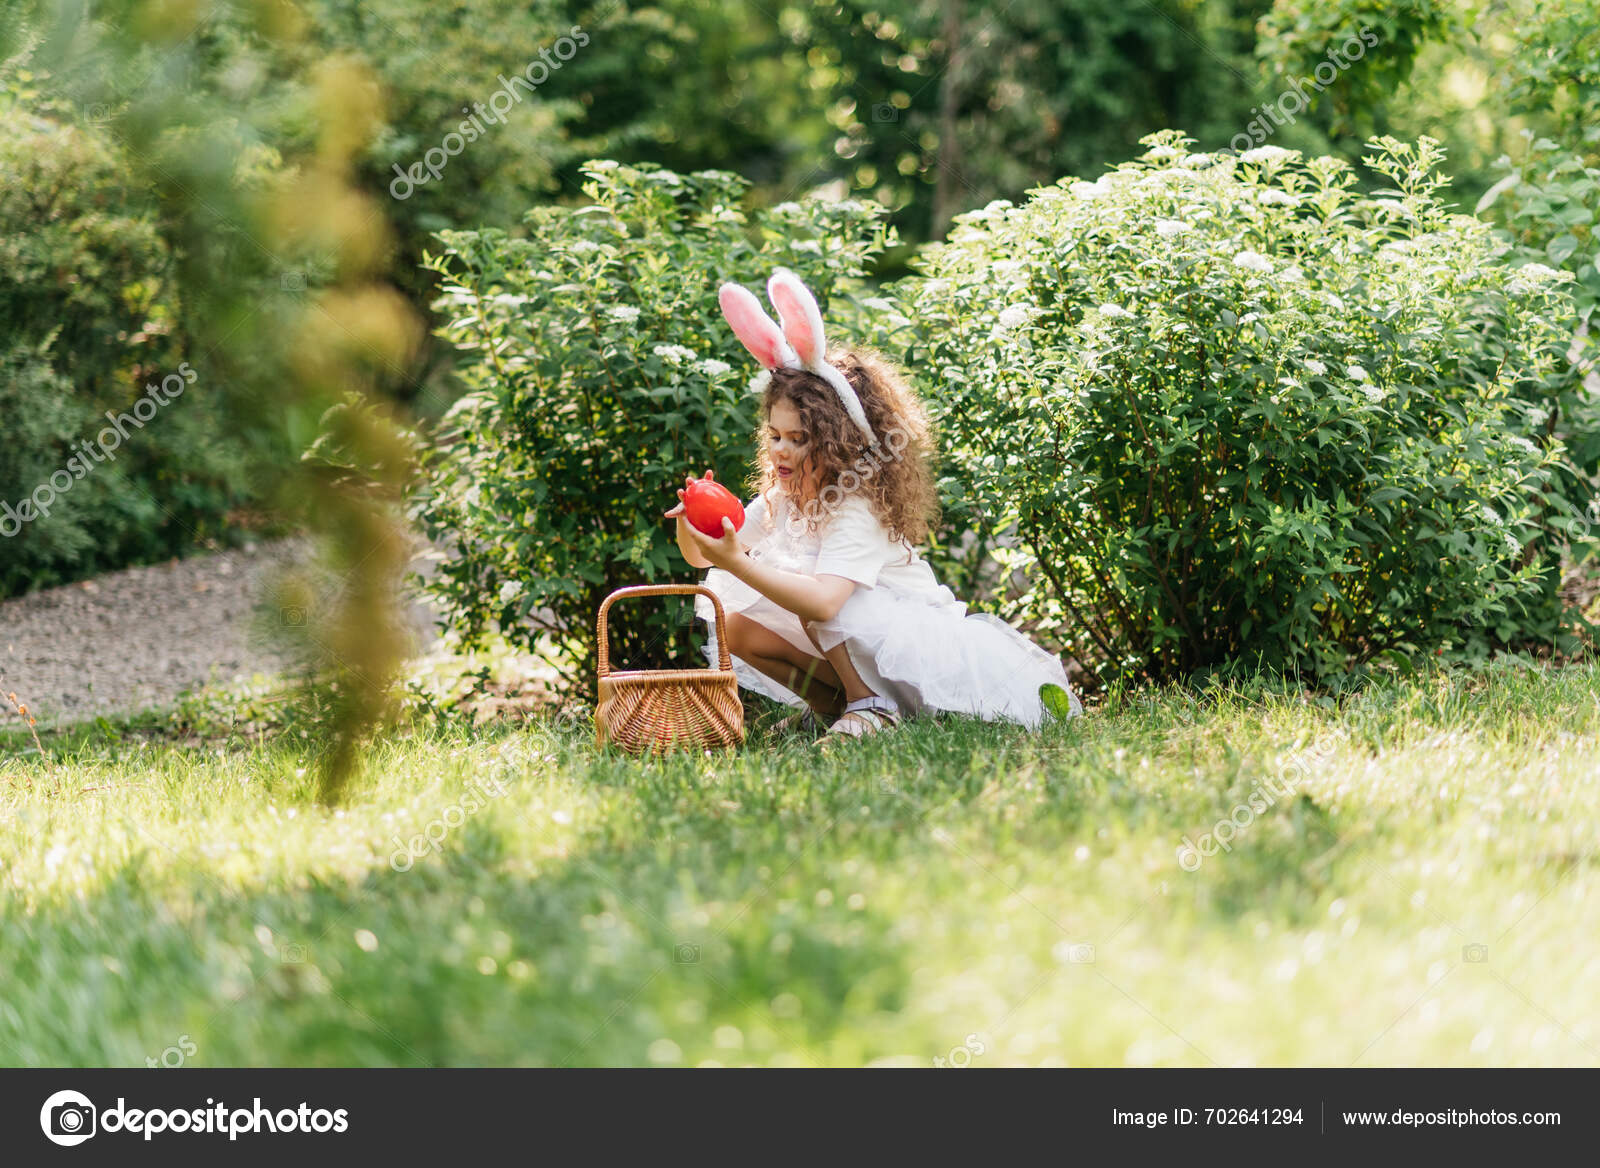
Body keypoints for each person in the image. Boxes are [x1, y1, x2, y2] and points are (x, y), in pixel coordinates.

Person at [664, 269, 1082, 743]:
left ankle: (874, 705)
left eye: (799, 439)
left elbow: (824, 601)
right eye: (775, 436)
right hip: (862, 644)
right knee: (737, 626)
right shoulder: (784, 497)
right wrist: (692, 523)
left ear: (841, 441)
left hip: (916, 654)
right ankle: (833, 707)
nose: (781, 450)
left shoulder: (857, 505)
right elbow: (701, 555)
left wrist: (736, 562)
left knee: (812, 598)